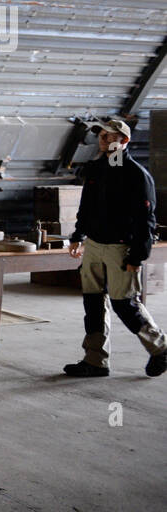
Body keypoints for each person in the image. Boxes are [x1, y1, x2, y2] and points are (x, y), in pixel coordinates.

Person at [64, 116, 167, 378]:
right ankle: (95, 361)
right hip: (94, 246)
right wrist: (77, 236)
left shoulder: (135, 175)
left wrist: (138, 255)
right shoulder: (97, 170)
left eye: (111, 136)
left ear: (124, 141)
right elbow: (86, 207)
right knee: (93, 303)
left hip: (121, 248)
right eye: (102, 136)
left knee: (125, 304)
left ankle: (160, 348)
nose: (104, 140)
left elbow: (147, 220)